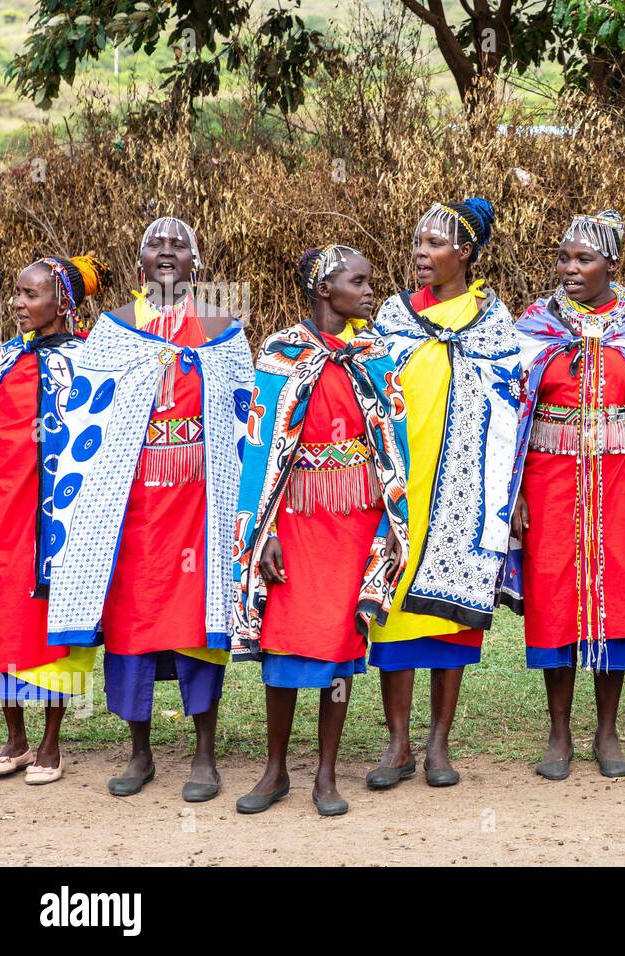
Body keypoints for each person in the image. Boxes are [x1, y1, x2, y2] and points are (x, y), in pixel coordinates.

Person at [46, 216, 254, 802]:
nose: (167, 251)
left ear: (197, 262)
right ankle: (139, 753)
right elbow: (86, 418)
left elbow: (246, 419)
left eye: (179, 244)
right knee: (132, 624)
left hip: (200, 504)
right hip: (131, 508)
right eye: (155, 245)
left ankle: (205, 755)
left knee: (199, 624)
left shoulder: (222, 329)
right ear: (139, 264)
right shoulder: (113, 331)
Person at [503, 210, 625, 780]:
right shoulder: (534, 325)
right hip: (549, 480)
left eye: (583, 259)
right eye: (563, 258)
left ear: (612, 263)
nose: (570, 269)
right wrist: (513, 495)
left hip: (623, 486)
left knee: (615, 602)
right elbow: (508, 409)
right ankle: (559, 734)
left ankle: (607, 731)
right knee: (555, 597)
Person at [231, 246, 409, 816]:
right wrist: (265, 533)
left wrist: (387, 526)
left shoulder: (376, 355)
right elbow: (260, 451)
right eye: (357, 281)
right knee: (283, 643)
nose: (368, 291)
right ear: (323, 287)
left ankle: (326, 775)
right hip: (296, 522)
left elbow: (392, 448)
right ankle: (275, 770)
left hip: (356, 522)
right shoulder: (281, 353)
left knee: (339, 647)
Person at [368, 199, 520, 789]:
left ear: (466, 253)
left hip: (465, 490)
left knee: (449, 615)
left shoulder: (492, 321)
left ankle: (438, 745)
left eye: (434, 244)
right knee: (395, 613)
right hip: (401, 487)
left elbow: (512, 412)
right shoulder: (392, 316)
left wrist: (512, 494)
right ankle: (398, 743)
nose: (421, 254)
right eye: (416, 243)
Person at [0, 255, 108, 785]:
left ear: (62, 302)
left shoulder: (88, 361)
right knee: (3, 615)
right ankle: (13, 736)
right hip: (2, 511)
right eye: (16, 293)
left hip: (59, 515)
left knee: (51, 619)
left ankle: (51, 743)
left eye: (29, 295)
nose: (18, 303)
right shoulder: (2, 359)